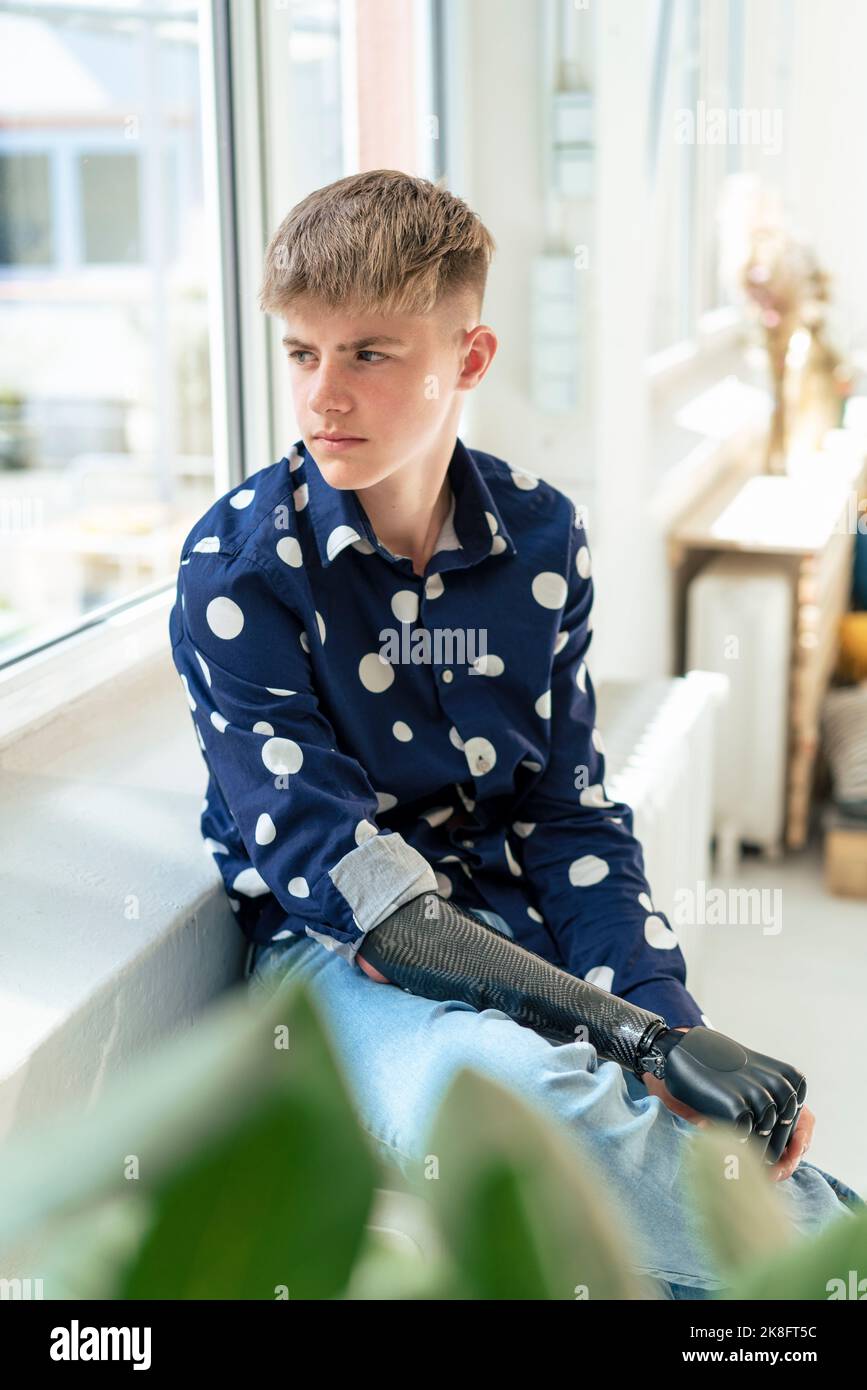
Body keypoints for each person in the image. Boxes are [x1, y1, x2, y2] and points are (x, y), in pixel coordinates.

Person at [169, 169, 864, 1299]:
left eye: (370, 354)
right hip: (343, 959)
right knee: (526, 1102)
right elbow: (370, 904)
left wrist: (670, 1020)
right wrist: (635, 1040)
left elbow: (568, 815)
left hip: (517, 915)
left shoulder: (542, 537)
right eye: (302, 353)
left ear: (470, 359)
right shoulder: (238, 577)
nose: (322, 397)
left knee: (670, 1178)